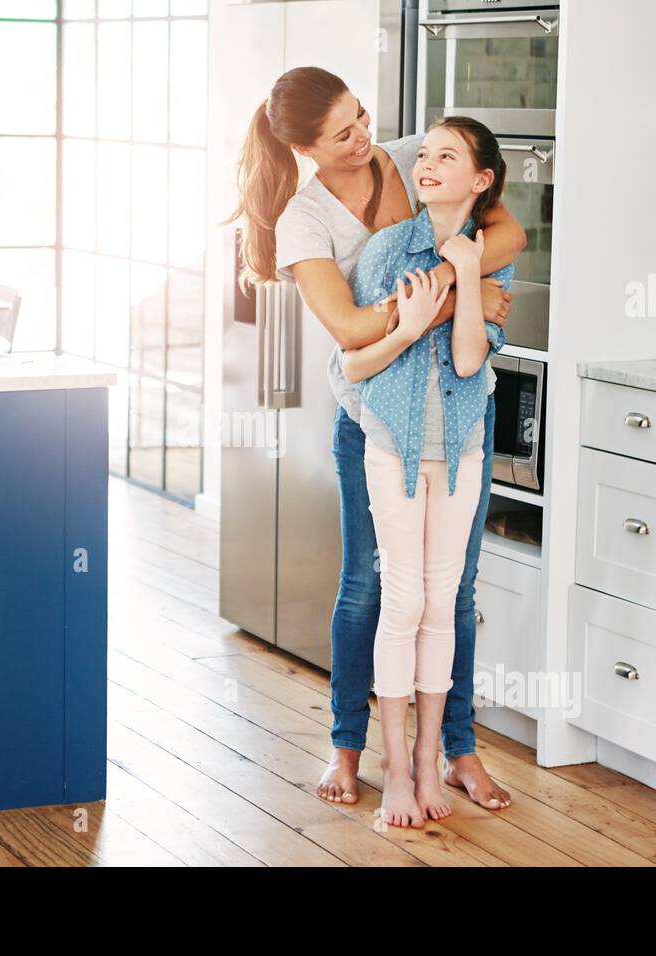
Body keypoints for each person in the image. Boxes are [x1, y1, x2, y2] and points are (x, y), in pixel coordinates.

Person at [228, 66, 519, 811]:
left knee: (451, 591)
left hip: (455, 416)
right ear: (306, 148)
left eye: (362, 118)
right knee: (370, 587)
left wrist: (468, 274)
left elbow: (505, 226)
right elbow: (354, 330)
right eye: (343, 135)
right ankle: (347, 747)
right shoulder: (305, 219)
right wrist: (457, 293)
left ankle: (456, 751)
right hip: (374, 418)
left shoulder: (410, 159)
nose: (365, 140)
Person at [338, 117, 513, 827]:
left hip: (462, 450)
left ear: (481, 181)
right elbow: (351, 365)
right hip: (391, 451)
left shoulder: (488, 259)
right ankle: (393, 771)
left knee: (445, 604)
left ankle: (428, 761)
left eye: (449, 157)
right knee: (401, 602)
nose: (428, 164)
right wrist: (409, 329)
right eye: (426, 155)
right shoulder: (387, 250)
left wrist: (466, 276)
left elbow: (471, 360)